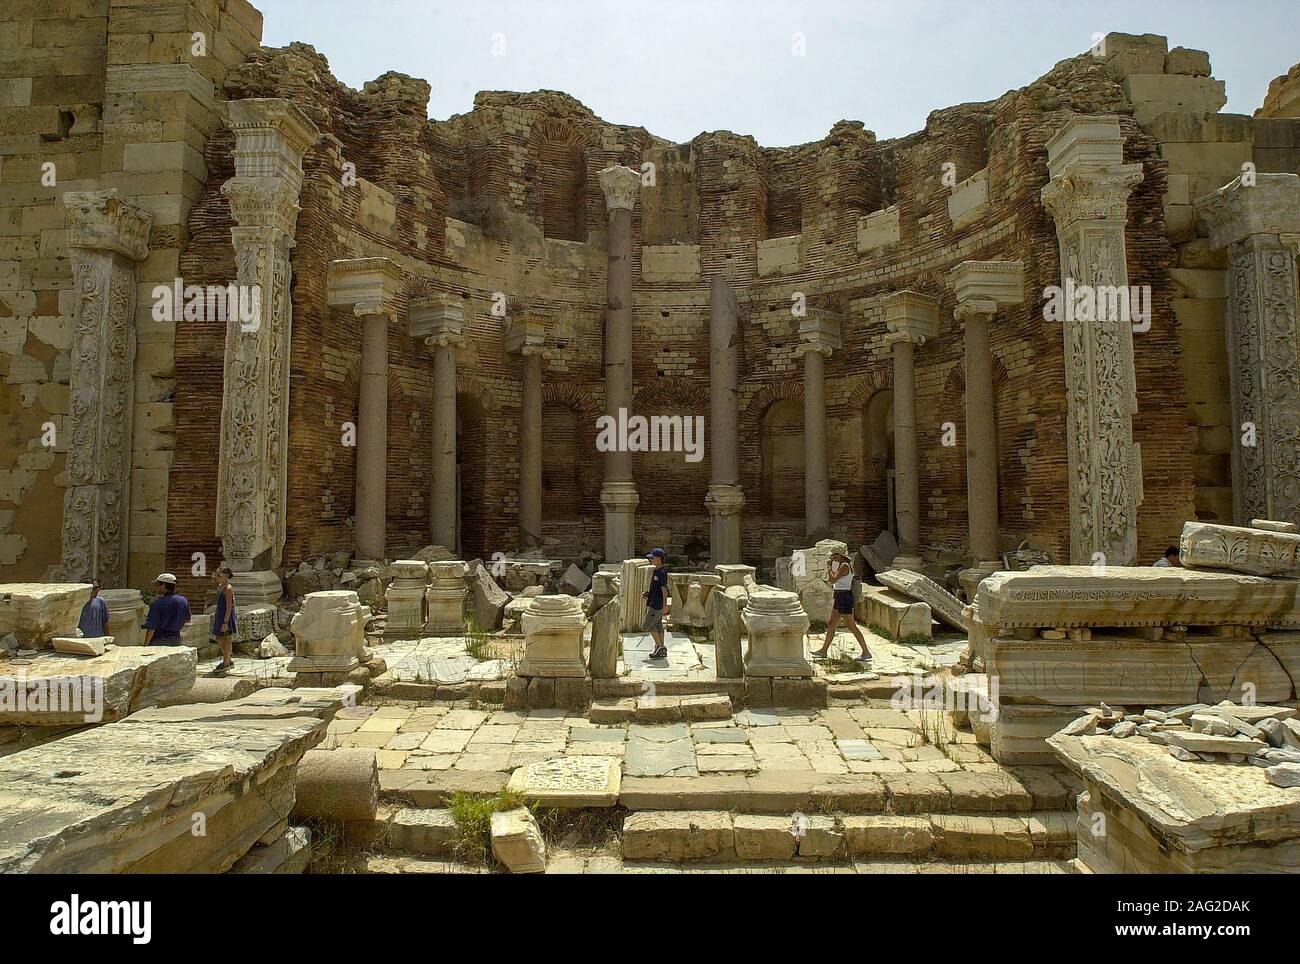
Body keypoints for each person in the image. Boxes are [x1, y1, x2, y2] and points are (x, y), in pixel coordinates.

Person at [812, 549, 872, 666]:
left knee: (851, 626)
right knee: (832, 624)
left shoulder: (845, 566)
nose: (833, 558)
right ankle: (823, 650)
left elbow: (833, 579)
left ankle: (866, 652)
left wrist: (829, 568)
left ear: (841, 556)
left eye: (835, 556)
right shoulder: (843, 566)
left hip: (844, 597)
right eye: (832, 556)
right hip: (839, 596)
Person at [145, 572, 191, 646]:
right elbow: (188, 620)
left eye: (158, 585)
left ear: (164, 585)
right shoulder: (183, 600)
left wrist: (146, 646)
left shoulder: (157, 603)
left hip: (159, 641)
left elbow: (151, 628)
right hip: (176, 640)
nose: (157, 587)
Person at [642, 547, 672, 661]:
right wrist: (648, 594)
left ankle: (659, 646)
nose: (651, 560)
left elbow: (664, 589)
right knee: (658, 625)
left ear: (659, 559)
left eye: (652, 558)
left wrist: (665, 605)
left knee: (648, 625)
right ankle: (662, 648)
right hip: (653, 601)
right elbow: (656, 589)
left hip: (657, 604)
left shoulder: (661, 572)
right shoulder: (656, 571)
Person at [212, 565, 237, 672]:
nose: (216, 577)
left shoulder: (228, 589)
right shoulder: (220, 586)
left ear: (226, 576)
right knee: (218, 637)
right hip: (220, 614)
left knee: (227, 638)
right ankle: (228, 659)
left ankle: (226, 662)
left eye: (219, 575)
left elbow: (229, 606)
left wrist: (226, 621)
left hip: (226, 615)